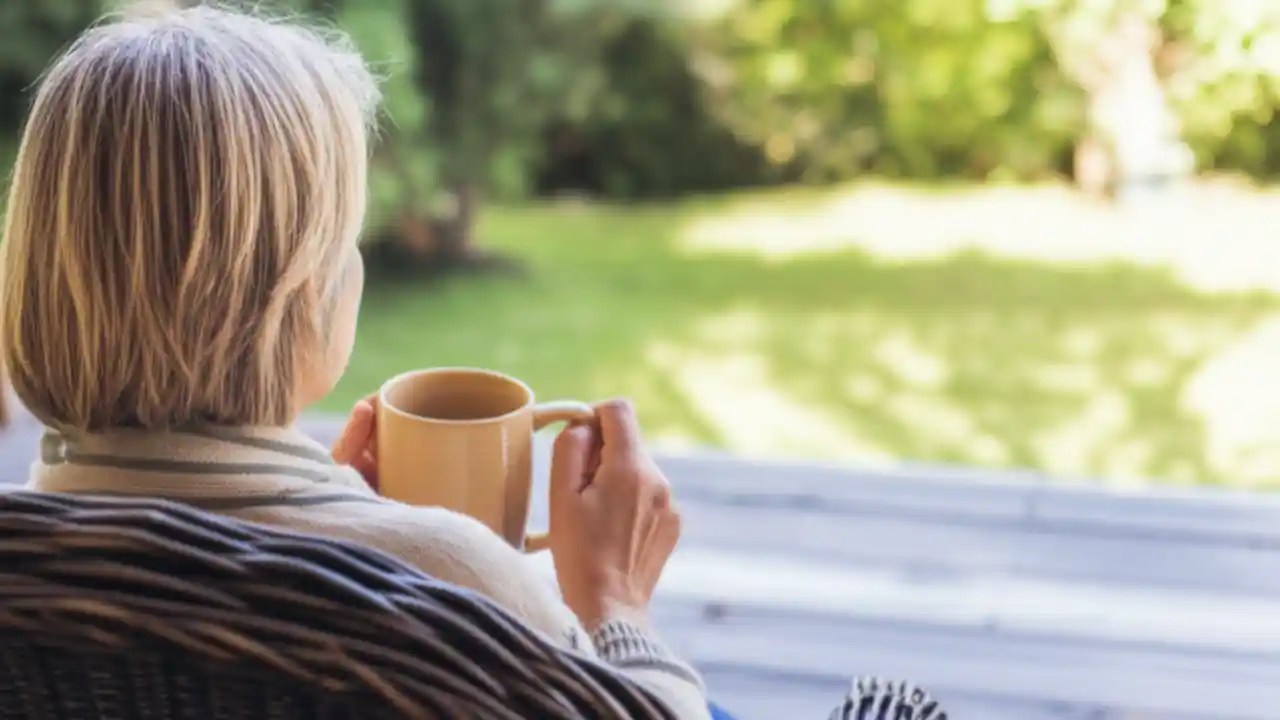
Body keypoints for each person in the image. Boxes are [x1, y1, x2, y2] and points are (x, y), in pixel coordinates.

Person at [0, 5, 707, 718]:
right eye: (345, 239)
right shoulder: (457, 584)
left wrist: (352, 515)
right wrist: (617, 604)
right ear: (303, 294)